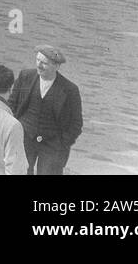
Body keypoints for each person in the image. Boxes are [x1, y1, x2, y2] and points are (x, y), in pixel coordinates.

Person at [8, 46, 83, 176]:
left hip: (53, 144)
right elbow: (11, 105)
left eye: (44, 63)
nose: (39, 65)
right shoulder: (25, 76)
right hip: (24, 137)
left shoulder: (70, 90)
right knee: (19, 172)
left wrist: (62, 143)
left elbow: (76, 123)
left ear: (57, 66)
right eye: (37, 60)